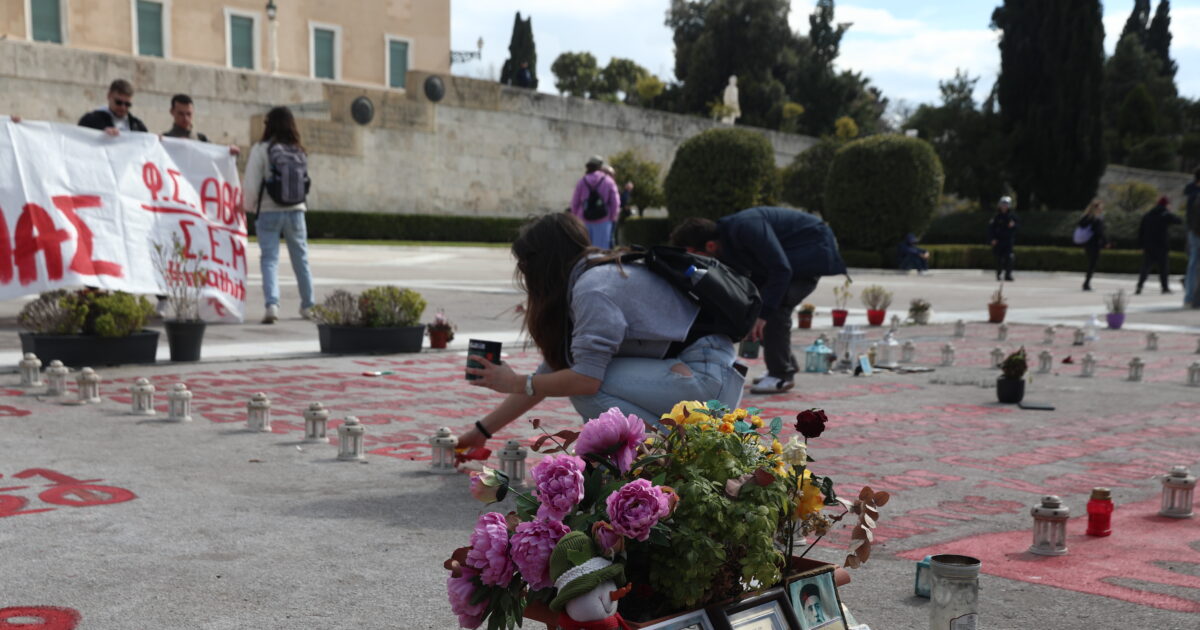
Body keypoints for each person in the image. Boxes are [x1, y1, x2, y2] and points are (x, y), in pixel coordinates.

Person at [455, 213, 746, 450]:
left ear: (542, 265)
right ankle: (676, 449)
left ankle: (675, 454)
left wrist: (517, 381)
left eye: (525, 266)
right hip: (710, 374)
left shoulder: (591, 289)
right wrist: (482, 431)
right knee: (574, 378)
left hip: (709, 380)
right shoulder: (594, 275)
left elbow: (584, 381)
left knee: (585, 390)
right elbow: (552, 372)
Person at [670, 207, 847, 394]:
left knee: (775, 308)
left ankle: (781, 375)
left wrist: (763, 314)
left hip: (811, 251)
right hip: (782, 262)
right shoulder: (727, 242)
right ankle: (785, 363)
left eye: (693, 254)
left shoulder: (746, 228)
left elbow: (781, 269)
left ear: (710, 246)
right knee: (755, 308)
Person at [241, 106, 315, 324]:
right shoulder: (298, 149)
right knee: (301, 259)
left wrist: (248, 206)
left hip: (269, 211)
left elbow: (252, 183)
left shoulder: (261, 149)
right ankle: (308, 305)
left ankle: (272, 305)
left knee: (270, 259)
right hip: (296, 211)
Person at [570, 156, 620, 249]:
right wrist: (612, 217)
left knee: (584, 250)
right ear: (600, 167)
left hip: (583, 220)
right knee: (601, 252)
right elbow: (615, 202)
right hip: (603, 221)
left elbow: (575, 202)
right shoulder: (608, 181)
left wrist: (575, 218)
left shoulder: (582, 181)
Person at [1136, 196, 1182, 295]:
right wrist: (1169, 212)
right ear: (1166, 205)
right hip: (1161, 245)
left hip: (1148, 245)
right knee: (1164, 268)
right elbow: (1179, 221)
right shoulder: (1165, 214)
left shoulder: (1148, 215)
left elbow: (1141, 231)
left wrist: (1140, 245)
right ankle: (1164, 288)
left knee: (1145, 267)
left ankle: (1139, 286)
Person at [78, 79, 148, 136]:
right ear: (109, 96)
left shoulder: (137, 125)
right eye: (118, 102)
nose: (123, 107)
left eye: (127, 104)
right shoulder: (90, 121)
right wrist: (101, 134)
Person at [1078, 200, 1109, 292]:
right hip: (1095, 244)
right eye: (1100, 208)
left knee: (1091, 263)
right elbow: (1099, 232)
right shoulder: (1096, 219)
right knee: (1093, 264)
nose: (1101, 210)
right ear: (1096, 209)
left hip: (1086, 243)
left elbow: (1080, 224)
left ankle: (1086, 282)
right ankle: (1086, 283)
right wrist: (1106, 242)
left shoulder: (1085, 217)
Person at [988, 196, 1018, 281]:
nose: (1004, 206)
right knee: (998, 259)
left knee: (1010, 258)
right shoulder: (996, 217)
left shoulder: (1012, 216)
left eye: (1006, 204)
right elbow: (991, 229)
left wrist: (1014, 225)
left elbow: (1018, 227)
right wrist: (992, 239)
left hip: (1008, 241)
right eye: (1003, 204)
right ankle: (999, 274)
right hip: (998, 241)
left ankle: (1008, 275)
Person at [1184, 170, 1200, 308]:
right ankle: (1193, 298)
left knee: (1193, 264)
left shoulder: (1190, 192)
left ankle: (1189, 298)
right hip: (1197, 231)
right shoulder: (1197, 194)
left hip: (1192, 231)